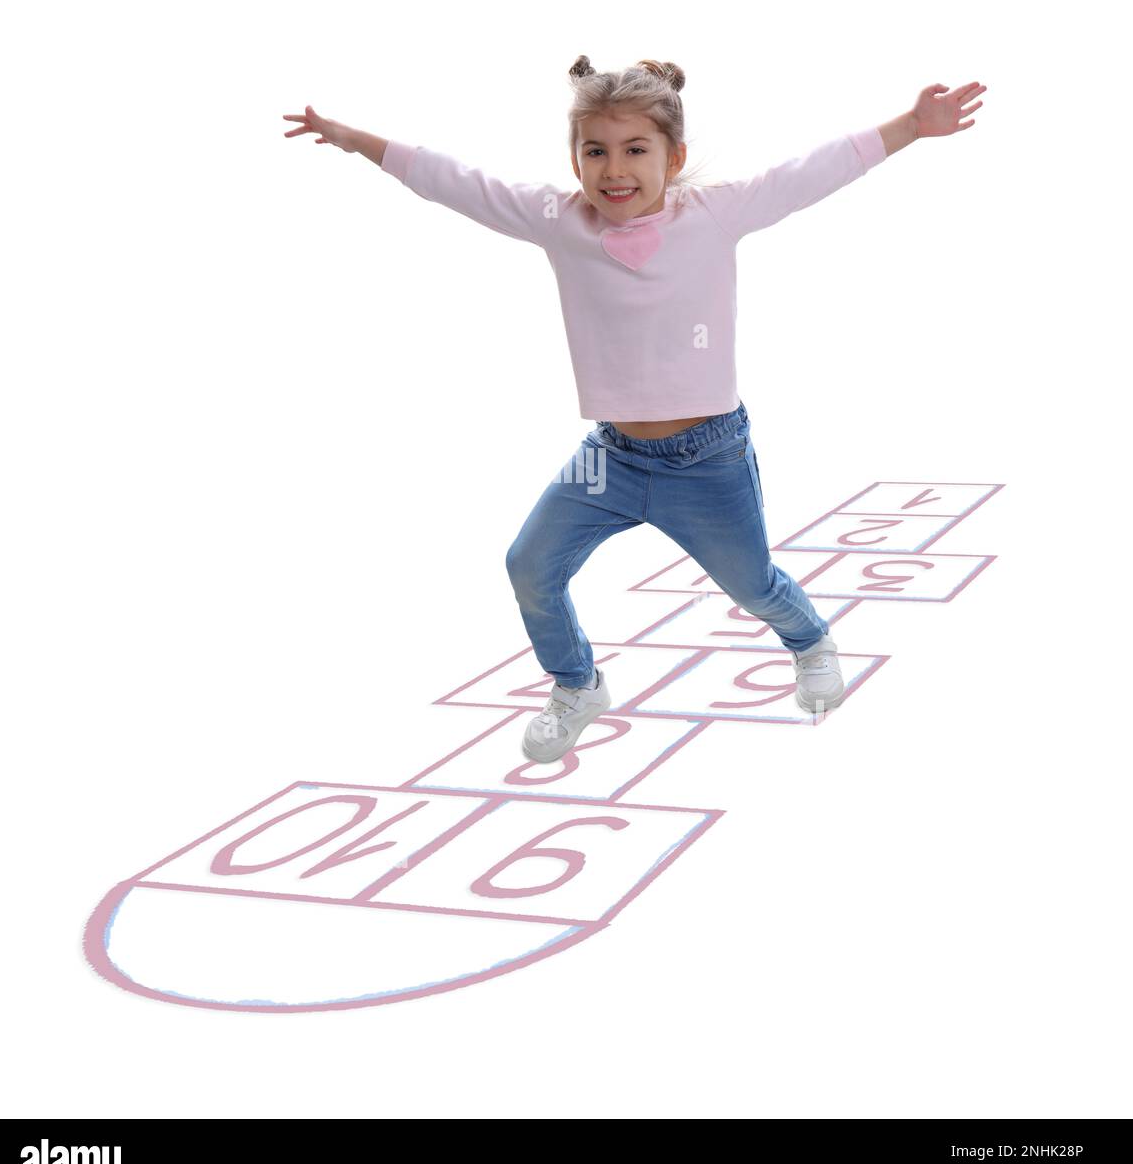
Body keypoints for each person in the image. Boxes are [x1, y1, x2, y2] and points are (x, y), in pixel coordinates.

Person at [283, 58, 986, 761]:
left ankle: (809, 641)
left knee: (751, 583)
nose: (614, 170)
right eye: (595, 151)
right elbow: (456, 182)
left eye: (635, 150)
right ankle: (577, 684)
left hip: (706, 457)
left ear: (673, 157)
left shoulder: (714, 214)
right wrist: (353, 138)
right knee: (529, 563)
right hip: (611, 456)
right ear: (575, 159)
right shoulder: (558, 220)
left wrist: (911, 128)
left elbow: (810, 171)